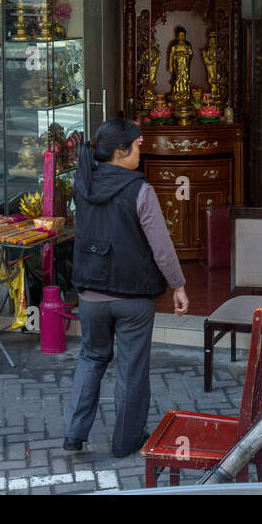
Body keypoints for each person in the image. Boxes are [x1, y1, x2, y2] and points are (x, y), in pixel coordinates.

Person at [63, 119, 189, 457]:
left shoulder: (83, 183)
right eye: (137, 144)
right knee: (131, 368)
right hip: (132, 296)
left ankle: (74, 434)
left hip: (90, 293)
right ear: (121, 152)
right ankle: (126, 441)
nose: (141, 147)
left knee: (90, 358)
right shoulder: (139, 190)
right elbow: (161, 246)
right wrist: (178, 285)